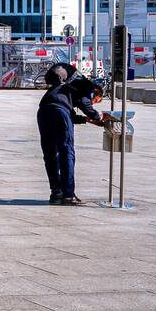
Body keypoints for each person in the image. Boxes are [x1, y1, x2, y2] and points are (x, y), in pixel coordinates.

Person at [37, 63, 104, 206]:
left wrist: (86, 120)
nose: (94, 102)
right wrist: (98, 116)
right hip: (59, 112)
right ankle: (68, 194)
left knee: (50, 154)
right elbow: (86, 106)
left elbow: (69, 114)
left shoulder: (63, 89)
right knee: (66, 152)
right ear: (96, 92)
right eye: (96, 100)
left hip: (43, 112)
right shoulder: (87, 87)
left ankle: (56, 193)